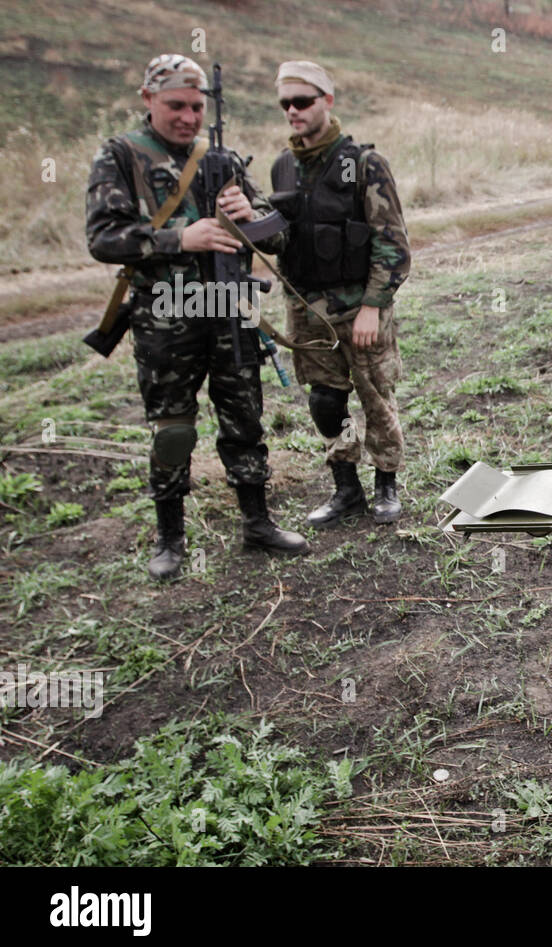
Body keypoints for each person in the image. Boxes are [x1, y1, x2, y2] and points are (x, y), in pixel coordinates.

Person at [86, 54, 309, 580]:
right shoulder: (120, 155)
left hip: (229, 311)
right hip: (166, 318)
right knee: (173, 429)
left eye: (195, 106)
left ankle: (258, 522)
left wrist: (248, 217)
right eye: (175, 105)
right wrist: (176, 238)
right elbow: (102, 239)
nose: (187, 116)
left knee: (245, 420)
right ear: (148, 100)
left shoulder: (223, 160)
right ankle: (171, 537)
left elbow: (275, 238)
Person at [269, 60, 410, 527]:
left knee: (375, 397)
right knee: (326, 401)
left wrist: (373, 306)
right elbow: (282, 240)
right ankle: (346, 489)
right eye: (285, 102)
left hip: (359, 309)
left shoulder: (364, 165)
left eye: (302, 101)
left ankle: (386, 484)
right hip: (307, 311)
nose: (293, 111)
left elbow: (392, 244)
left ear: (327, 101)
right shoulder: (282, 169)